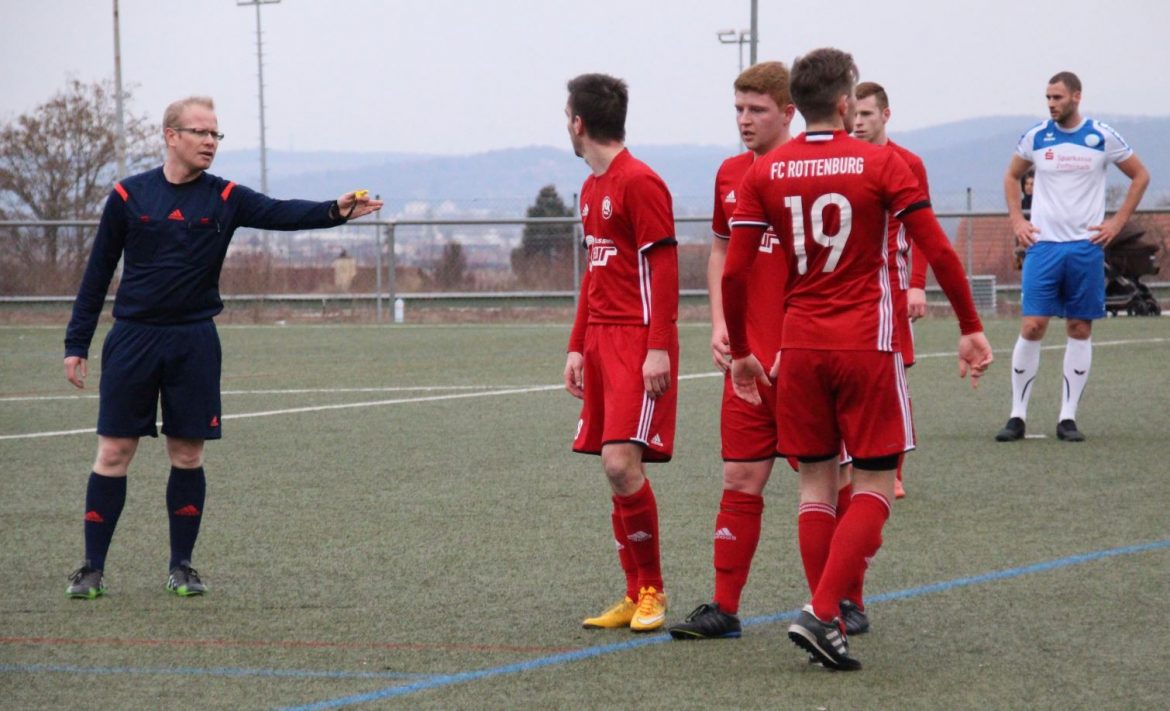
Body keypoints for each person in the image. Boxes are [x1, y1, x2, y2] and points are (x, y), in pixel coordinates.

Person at [722, 47, 993, 670]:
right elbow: (938, 252)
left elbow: (736, 274)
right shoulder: (883, 164)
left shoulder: (763, 172)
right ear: (845, 102)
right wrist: (970, 327)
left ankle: (829, 620)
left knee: (815, 484)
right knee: (872, 482)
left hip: (798, 346)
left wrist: (742, 352)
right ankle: (823, 613)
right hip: (867, 345)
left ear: (800, 102)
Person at [63, 96, 382, 599]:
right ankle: (91, 568)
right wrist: (76, 342)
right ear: (171, 136)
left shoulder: (226, 196)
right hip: (132, 339)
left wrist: (334, 211)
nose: (211, 142)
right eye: (200, 132)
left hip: (194, 340)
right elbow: (97, 273)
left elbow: (280, 212)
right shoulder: (127, 196)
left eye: (216, 135)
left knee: (187, 454)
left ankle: (182, 566)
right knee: (114, 450)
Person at [668, 61, 796, 641]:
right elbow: (721, 253)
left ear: (789, 112)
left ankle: (845, 600)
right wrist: (722, 323)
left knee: (829, 479)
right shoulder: (728, 173)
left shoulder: (810, 172)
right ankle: (723, 607)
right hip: (745, 362)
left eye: (757, 110)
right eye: (739, 109)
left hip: (802, 359)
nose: (745, 120)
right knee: (740, 476)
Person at [562, 73, 679, 633]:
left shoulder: (641, 183)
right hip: (601, 341)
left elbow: (664, 268)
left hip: (638, 341)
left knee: (620, 462)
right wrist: (576, 346)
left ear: (579, 124)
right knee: (613, 471)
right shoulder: (590, 189)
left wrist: (658, 348)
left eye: (567, 116)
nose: (567, 125)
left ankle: (653, 590)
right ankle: (633, 595)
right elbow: (595, 275)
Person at [996, 72, 1149, 443]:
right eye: (1048, 97)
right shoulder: (1035, 137)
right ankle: (1017, 415)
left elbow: (1140, 176)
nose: (1051, 103)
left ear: (1076, 97)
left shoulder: (1101, 137)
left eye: (1058, 97)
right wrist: (1018, 220)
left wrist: (1117, 222)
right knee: (1032, 326)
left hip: (1085, 248)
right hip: (1044, 248)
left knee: (1079, 328)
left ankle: (1067, 417)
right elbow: (1011, 176)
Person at [851, 81, 932, 501]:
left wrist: (916, 285)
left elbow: (923, 231)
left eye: (866, 114)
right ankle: (849, 462)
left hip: (894, 286)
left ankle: (893, 470)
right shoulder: (843, 160)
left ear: (886, 115)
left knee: (894, 377)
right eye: (854, 114)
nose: (858, 122)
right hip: (848, 285)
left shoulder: (908, 162)